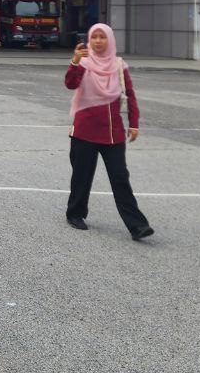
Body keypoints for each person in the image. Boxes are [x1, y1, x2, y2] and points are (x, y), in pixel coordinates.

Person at [64, 24, 155, 241]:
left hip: (112, 133)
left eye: (102, 37)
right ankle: (75, 213)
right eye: (93, 37)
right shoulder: (84, 63)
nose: (97, 41)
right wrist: (75, 61)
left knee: (120, 177)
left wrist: (134, 123)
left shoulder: (118, 65)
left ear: (110, 40)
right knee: (82, 176)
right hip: (84, 131)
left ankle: (137, 226)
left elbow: (130, 95)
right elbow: (70, 84)